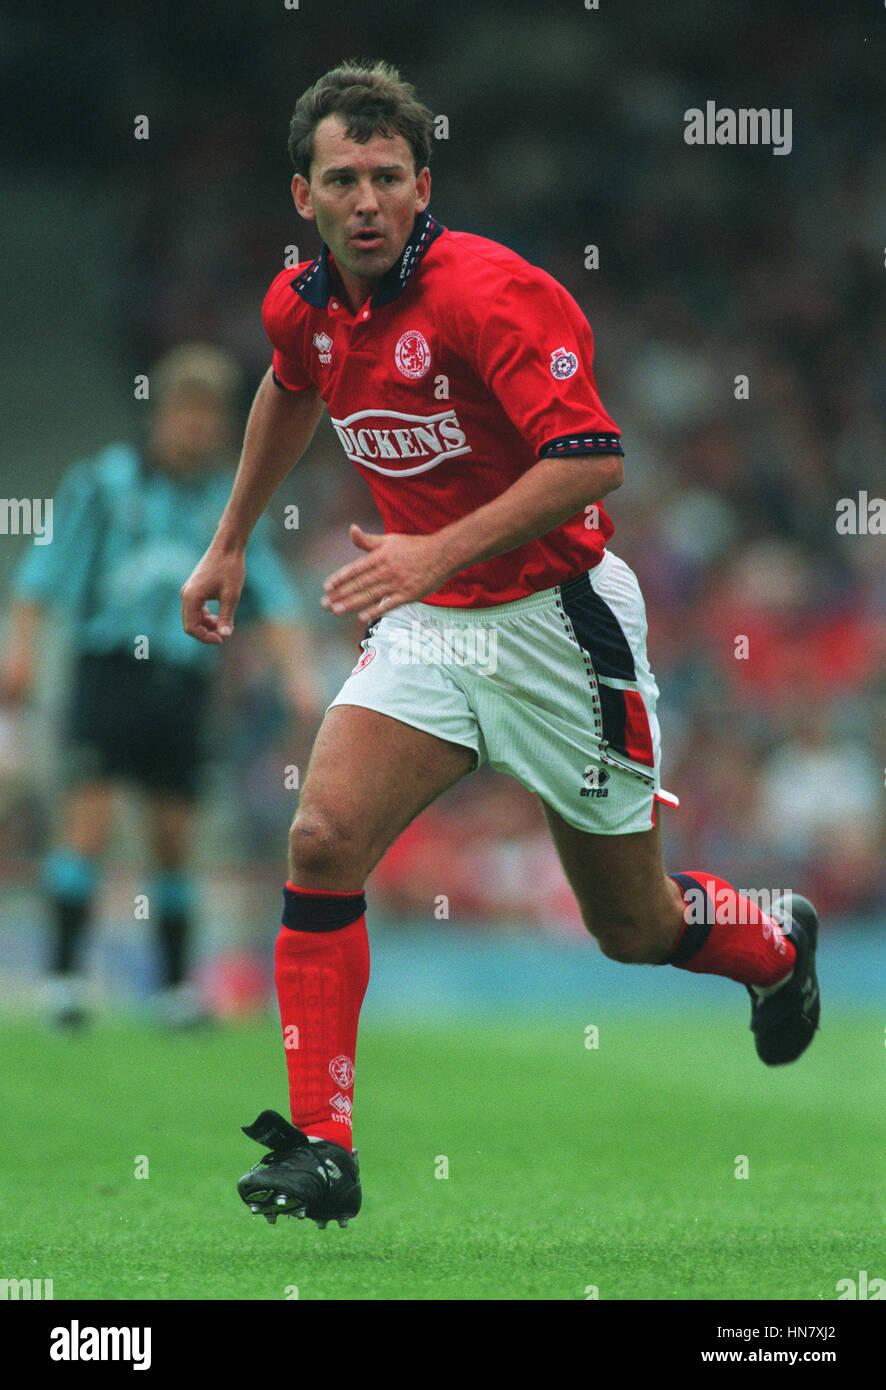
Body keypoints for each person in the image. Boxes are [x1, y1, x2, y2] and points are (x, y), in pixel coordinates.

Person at [180, 62, 821, 1229]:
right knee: (321, 837)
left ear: (423, 186)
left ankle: (771, 944)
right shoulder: (301, 304)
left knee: (630, 927)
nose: (367, 200)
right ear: (302, 196)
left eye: (388, 177)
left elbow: (591, 459)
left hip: (557, 620)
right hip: (428, 624)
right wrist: (228, 542)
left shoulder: (490, 292)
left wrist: (431, 551)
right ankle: (323, 1146)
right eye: (342, 180)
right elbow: (290, 383)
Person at [2, 344, 320, 1028]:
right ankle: (64, 979)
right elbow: (40, 574)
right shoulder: (102, 485)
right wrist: (20, 653)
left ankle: (173, 988)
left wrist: (297, 675)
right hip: (108, 670)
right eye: (188, 411)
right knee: (86, 821)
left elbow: (273, 595)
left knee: (174, 835)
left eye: (212, 415)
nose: (199, 427)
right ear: (161, 413)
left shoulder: (230, 503)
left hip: (185, 678)